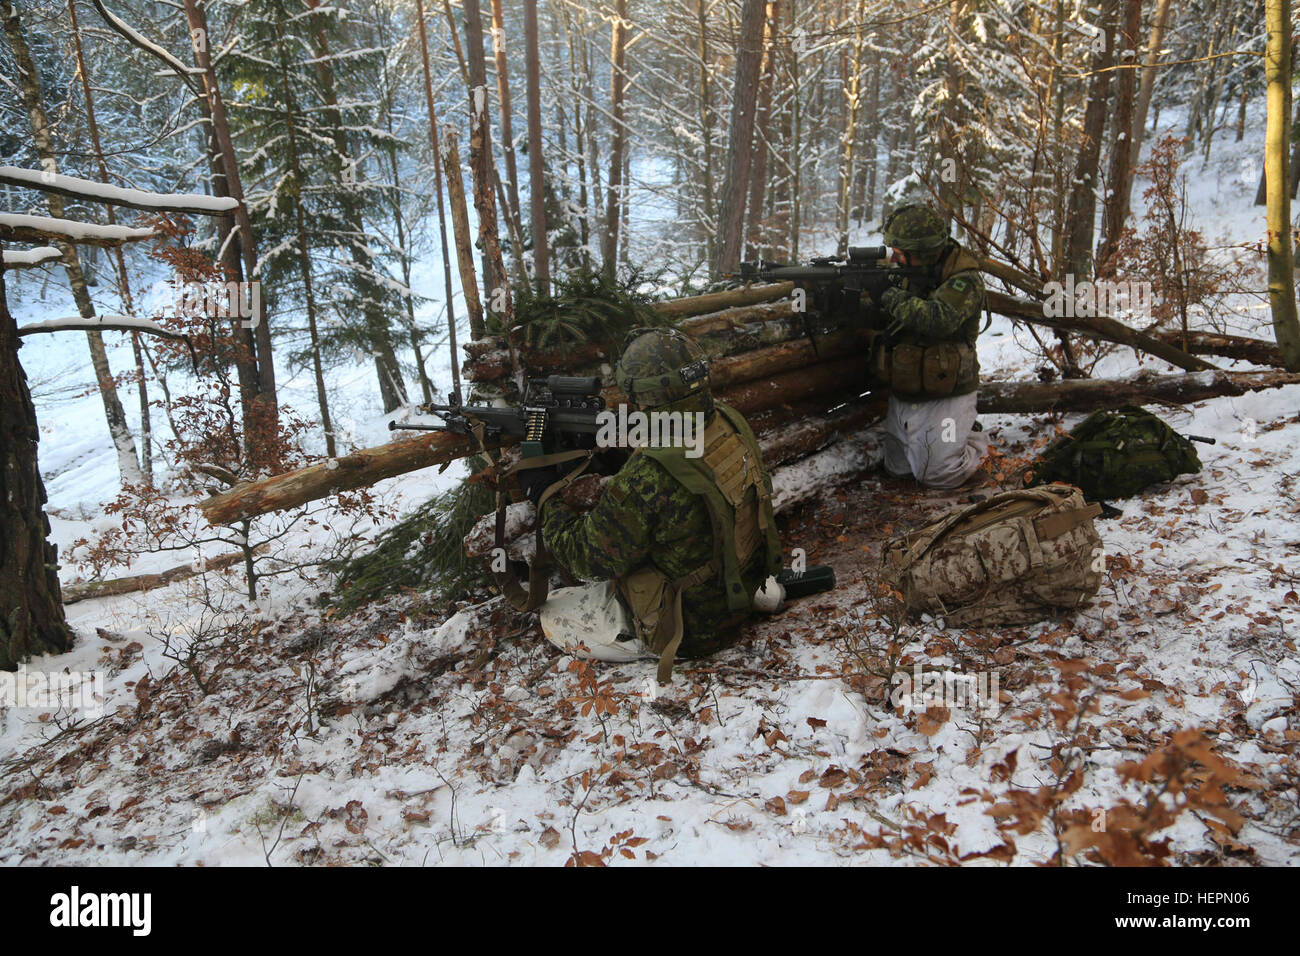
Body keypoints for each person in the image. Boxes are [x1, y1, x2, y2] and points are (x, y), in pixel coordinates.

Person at [519, 328, 782, 683]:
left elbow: (584, 558)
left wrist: (543, 493)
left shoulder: (649, 476)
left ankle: (640, 641)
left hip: (696, 628)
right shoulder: (726, 419)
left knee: (553, 613)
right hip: (739, 587)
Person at [870, 202, 990, 489]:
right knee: (898, 469)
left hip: (947, 388)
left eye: (901, 253)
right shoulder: (908, 269)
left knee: (939, 475)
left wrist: (888, 295)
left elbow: (939, 319)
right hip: (908, 382)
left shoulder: (964, 279)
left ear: (922, 253)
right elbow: (881, 314)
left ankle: (973, 441)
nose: (894, 258)